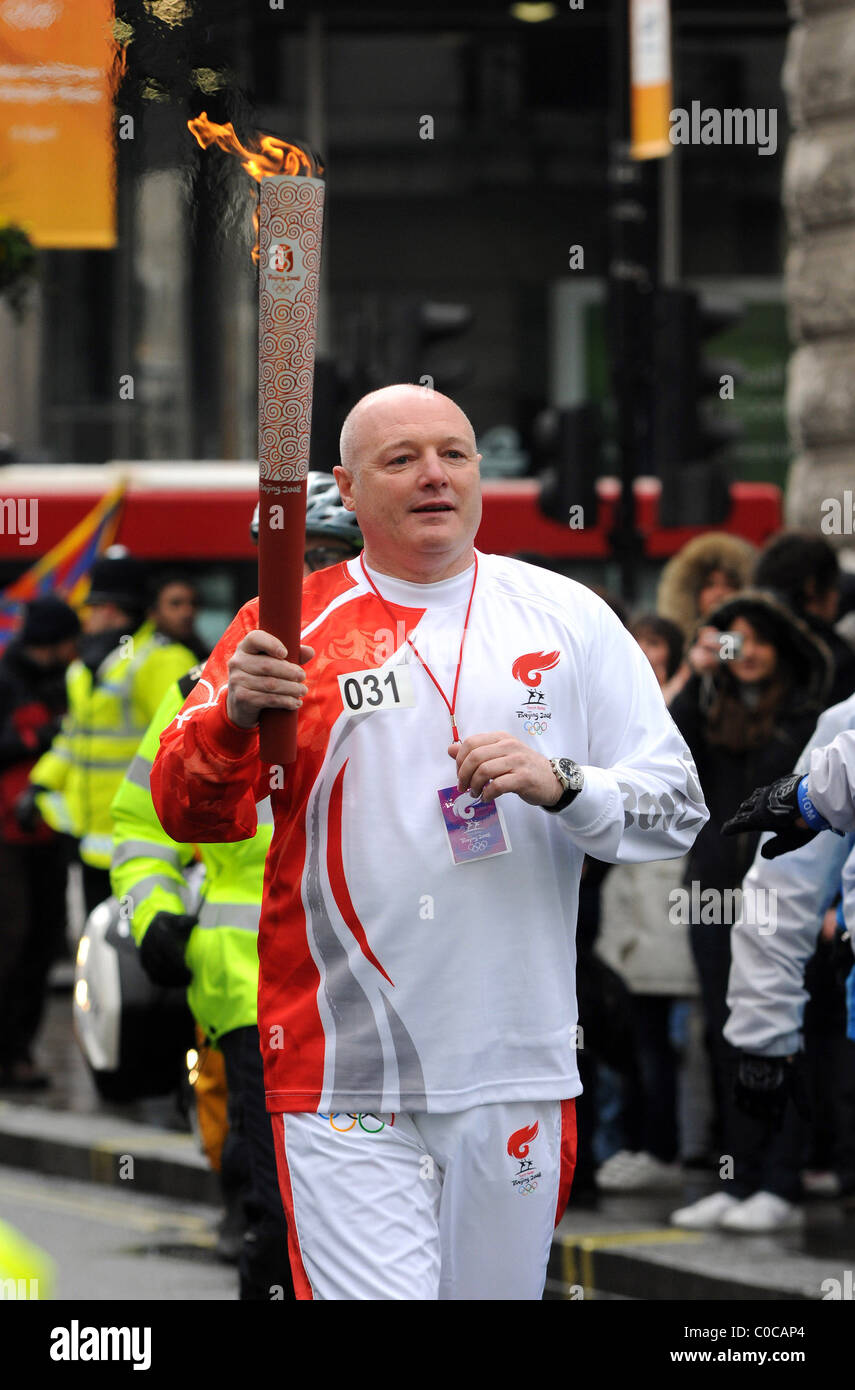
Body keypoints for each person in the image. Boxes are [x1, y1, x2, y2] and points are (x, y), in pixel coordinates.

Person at [150, 383, 707, 1302]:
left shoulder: (566, 618)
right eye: (400, 459)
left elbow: (675, 811)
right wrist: (234, 722)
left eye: (452, 453)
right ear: (347, 485)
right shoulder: (283, 630)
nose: (433, 476)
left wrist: (564, 783)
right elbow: (188, 813)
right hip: (343, 1067)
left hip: (513, 1059)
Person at [110, 487, 363, 1300]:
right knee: (280, 1217)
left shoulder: (413, 675)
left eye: (327, 559)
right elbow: (143, 821)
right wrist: (154, 918)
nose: (306, 579)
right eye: (291, 560)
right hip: (252, 997)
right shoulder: (207, 683)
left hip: (378, 995)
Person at [666, 590, 831, 1231]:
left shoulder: (808, 715)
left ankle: (781, 1183)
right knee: (725, 1034)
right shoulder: (712, 710)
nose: (746, 653)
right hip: (713, 897)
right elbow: (659, 742)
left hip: (785, 897)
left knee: (781, 1033)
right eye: (733, 640)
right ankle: (737, 1183)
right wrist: (698, 668)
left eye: (757, 639)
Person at [28, 550, 197, 913]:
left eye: (91, 607)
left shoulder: (163, 661)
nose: (85, 618)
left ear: (111, 610)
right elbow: (73, 740)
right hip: (93, 841)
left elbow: (184, 748)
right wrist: (41, 783)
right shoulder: (86, 668)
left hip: (146, 846)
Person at [0, 597, 80, 1089]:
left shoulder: (67, 679)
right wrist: (38, 739)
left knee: (40, 945)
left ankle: (19, 1053)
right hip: (7, 834)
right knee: (14, 941)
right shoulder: (7, 680)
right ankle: (9, 1054)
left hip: (50, 831)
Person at [754, 530, 855, 708]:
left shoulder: (741, 636)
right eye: (833, 584)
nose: (837, 596)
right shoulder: (833, 658)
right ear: (812, 586)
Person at [655, 532, 757, 704]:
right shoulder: (676, 643)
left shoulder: (758, 643)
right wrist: (691, 669)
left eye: (729, 584)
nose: (719, 593)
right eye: (710, 585)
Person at [147, 573, 207, 661]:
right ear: (153, 613)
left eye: (193, 604)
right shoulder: (143, 654)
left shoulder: (201, 652)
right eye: (175, 604)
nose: (187, 612)